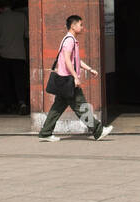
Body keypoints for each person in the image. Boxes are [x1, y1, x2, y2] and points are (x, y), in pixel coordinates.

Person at [39, 14, 113, 142]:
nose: (82, 27)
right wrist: (75, 77)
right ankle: (98, 130)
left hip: (64, 80)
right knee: (81, 106)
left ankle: (46, 132)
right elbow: (68, 60)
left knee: (57, 107)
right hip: (68, 80)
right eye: (80, 24)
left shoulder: (70, 39)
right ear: (73, 26)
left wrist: (89, 69)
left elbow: (76, 60)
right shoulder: (69, 40)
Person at [0, 0, 28, 114]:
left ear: (0, 8)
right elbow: (27, 34)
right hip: (20, 54)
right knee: (20, 80)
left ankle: (8, 104)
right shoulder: (21, 17)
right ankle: (22, 102)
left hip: (4, 55)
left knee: (6, 82)